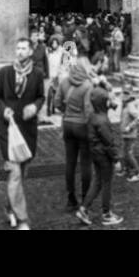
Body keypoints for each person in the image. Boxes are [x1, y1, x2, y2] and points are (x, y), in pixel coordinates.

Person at [0, 37, 45, 229]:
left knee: (21, 175)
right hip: (8, 129)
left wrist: (35, 107)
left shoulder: (38, 74)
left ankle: (9, 208)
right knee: (14, 173)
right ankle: (23, 220)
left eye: (24, 48)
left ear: (31, 51)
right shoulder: (5, 72)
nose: (20, 51)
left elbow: (41, 96)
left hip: (27, 129)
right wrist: (3, 109)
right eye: (18, 48)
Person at [55, 55, 97, 210]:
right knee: (86, 164)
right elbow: (88, 110)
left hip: (67, 125)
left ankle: (71, 198)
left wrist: (66, 112)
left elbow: (57, 102)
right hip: (82, 126)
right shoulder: (87, 85)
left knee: (70, 163)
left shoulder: (64, 81)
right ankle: (85, 198)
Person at [76, 87, 123, 226]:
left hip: (95, 153)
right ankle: (106, 214)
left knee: (97, 181)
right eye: (107, 100)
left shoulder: (93, 115)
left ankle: (83, 209)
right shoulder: (102, 121)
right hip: (104, 156)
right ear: (102, 102)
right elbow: (109, 143)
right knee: (106, 183)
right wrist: (116, 159)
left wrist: (110, 104)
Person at [119, 87, 139, 182]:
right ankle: (126, 169)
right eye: (123, 93)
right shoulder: (126, 105)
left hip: (130, 135)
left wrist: (129, 127)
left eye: (125, 94)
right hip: (126, 134)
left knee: (128, 154)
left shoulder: (130, 106)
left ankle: (138, 172)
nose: (123, 96)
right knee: (125, 153)